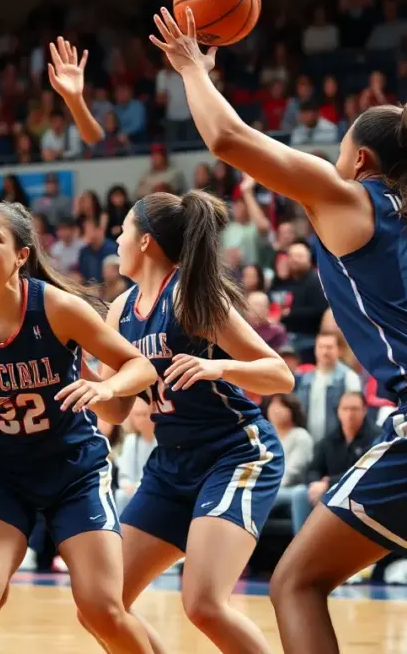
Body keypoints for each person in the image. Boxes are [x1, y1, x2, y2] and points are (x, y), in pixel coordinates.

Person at [151, 6, 407, 653]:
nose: (331, 159)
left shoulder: (349, 197)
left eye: (341, 149)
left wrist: (190, 69)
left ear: (361, 159)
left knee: (295, 581)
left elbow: (228, 140)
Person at [0, 201, 159, 654]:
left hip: (72, 470)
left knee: (102, 608)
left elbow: (139, 366)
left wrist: (106, 390)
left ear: (22, 255)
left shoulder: (56, 308)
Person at [94, 190, 291, 654]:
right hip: (171, 465)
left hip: (235, 454)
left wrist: (221, 366)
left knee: (203, 602)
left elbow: (279, 375)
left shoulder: (192, 296)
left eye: (122, 230)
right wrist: (80, 375)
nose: (116, 240)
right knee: (102, 603)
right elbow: (115, 411)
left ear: (144, 242)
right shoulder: (121, 310)